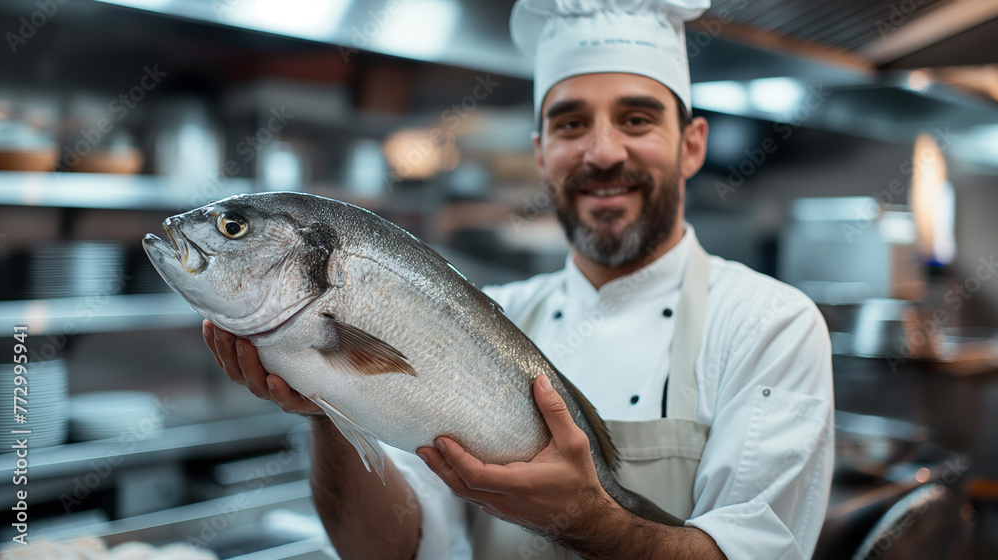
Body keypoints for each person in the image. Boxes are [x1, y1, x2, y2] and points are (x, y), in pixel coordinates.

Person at [203, 0, 835, 558]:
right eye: (570, 123)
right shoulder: (475, 322)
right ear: (541, 153)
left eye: (636, 119)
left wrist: (589, 522)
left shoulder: (770, 324)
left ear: (692, 145)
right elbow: (385, 549)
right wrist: (324, 407)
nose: (603, 151)